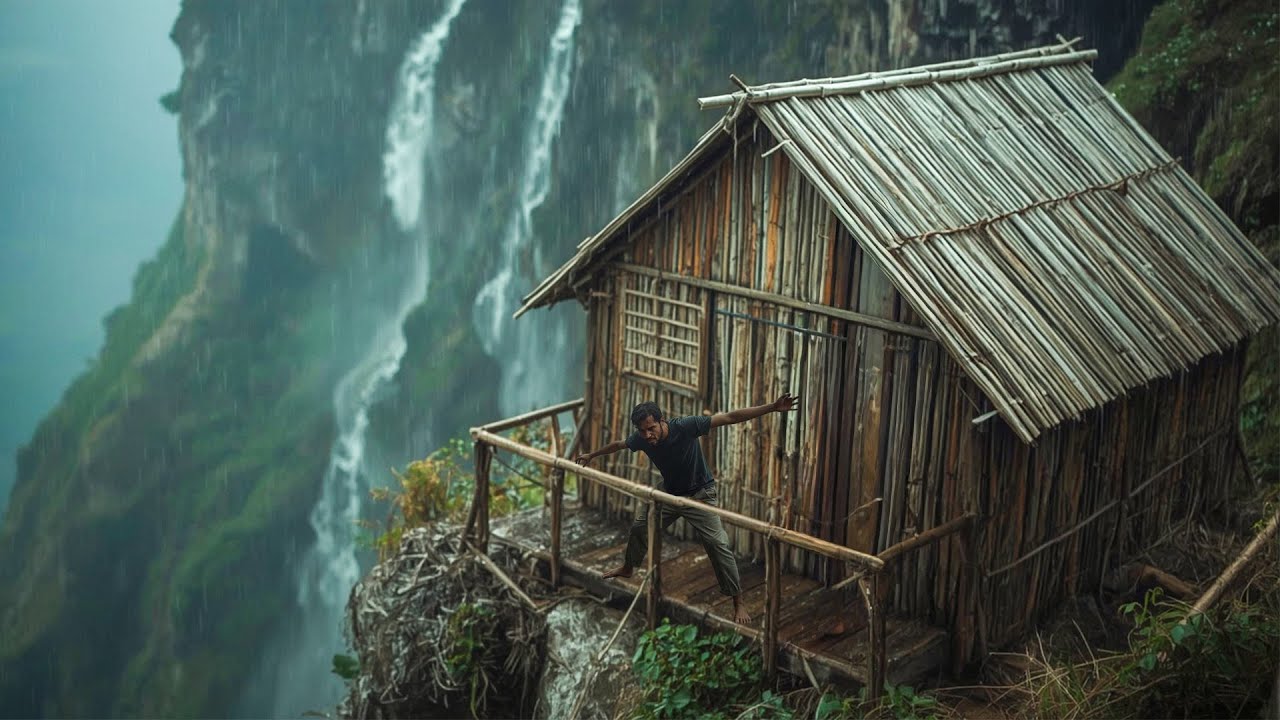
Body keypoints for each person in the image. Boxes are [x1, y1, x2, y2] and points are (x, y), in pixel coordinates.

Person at [574, 393, 800, 625]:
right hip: (670, 494)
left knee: (716, 543)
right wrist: (592, 455)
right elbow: (619, 444)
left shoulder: (686, 426)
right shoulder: (641, 438)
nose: (647, 435)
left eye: (651, 429)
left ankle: (737, 600)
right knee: (641, 526)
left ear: (662, 421)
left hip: (700, 494)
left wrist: (772, 407)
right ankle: (629, 567)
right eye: (642, 431)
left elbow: (730, 417)